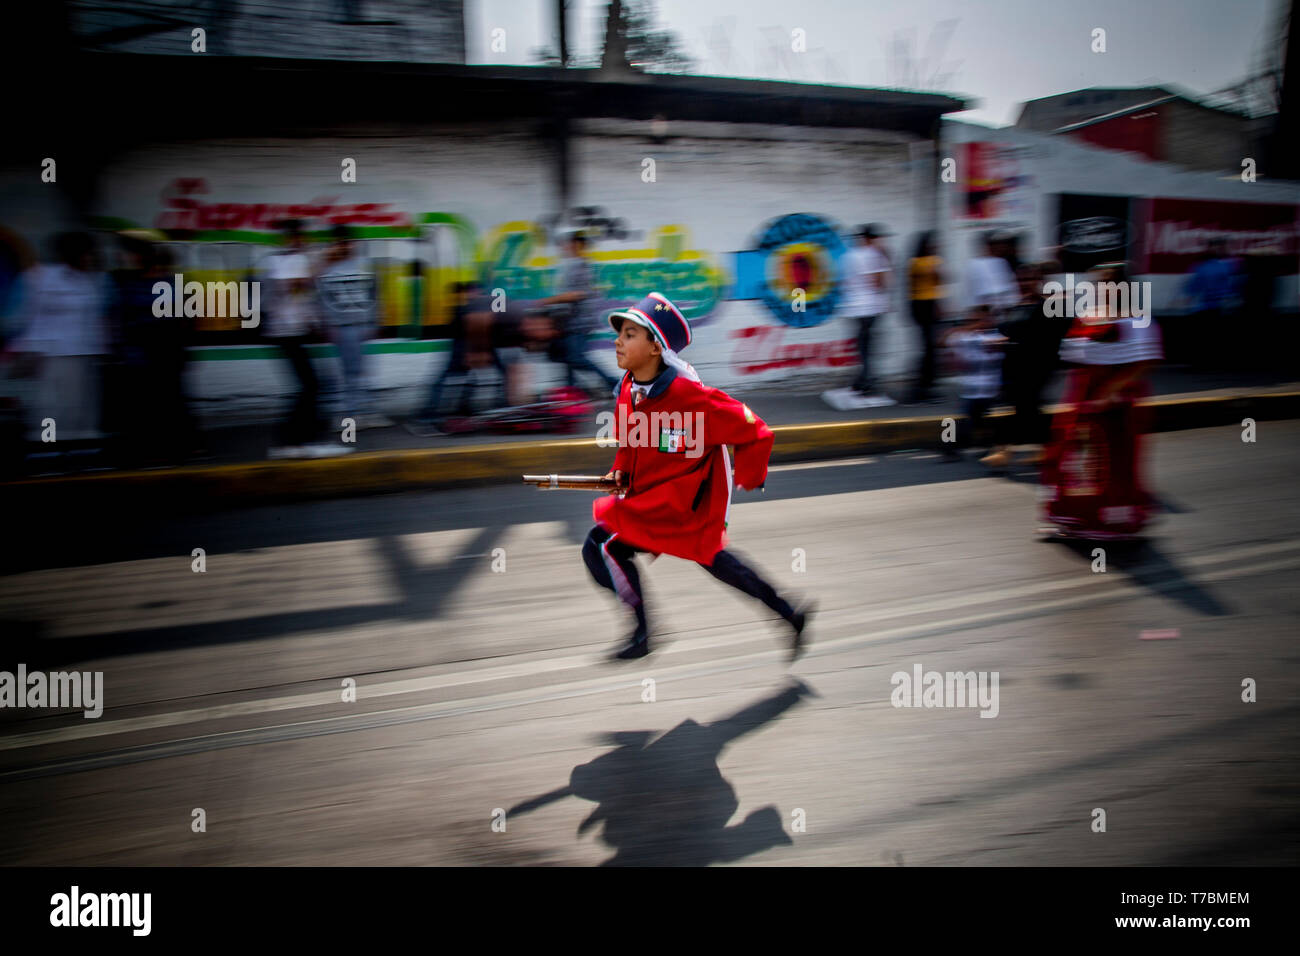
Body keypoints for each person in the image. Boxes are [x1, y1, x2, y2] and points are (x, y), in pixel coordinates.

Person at [581, 292, 813, 661]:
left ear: (655, 346)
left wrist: (750, 476)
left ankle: (644, 632)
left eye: (629, 334)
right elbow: (630, 439)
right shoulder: (628, 387)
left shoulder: (692, 397)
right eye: (620, 334)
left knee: (604, 544)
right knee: (611, 547)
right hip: (654, 498)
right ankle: (790, 613)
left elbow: (754, 429)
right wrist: (620, 472)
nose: (617, 342)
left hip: (690, 504)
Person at [1040, 261, 1164, 541]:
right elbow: (1074, 357)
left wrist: (1111, 391)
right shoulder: (1088, 315)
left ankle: (1114, 522)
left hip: (1116, 403)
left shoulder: (1137, 319)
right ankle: (1072, 516)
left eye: (1108, 282)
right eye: (1099, 282)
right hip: (1080, 400)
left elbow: (1145, 362)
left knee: (1111, 462)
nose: (1102, 288)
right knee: (1067, 458)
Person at [3, 232, 110, 465]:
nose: (90, 258)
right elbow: (21, 315)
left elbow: (95, 318)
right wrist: (22, 347)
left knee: (82, 406)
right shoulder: (40, 278)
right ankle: (46, 449)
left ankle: (82, 449)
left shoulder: (91, 281)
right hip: (51, 354)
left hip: (84, 353)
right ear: (71, 254)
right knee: (49, 407)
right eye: (86, 253)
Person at [261, 220, 348, 458]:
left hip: (297, 333)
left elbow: (303, 298)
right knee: (309, 386)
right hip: (284, 334)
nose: (302, 241)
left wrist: (318, 325)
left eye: (302, 237)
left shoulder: (298, 260)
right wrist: (320, 262)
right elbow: (294, 286)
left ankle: (305, 440)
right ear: (289, 238)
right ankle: (292, 442)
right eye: (298, 237)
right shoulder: (279, 262)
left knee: (315, 385)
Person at [993, 261, 1070, 466]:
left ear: (1040, 281)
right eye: (1020, 280)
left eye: (1029, 279)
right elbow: (1006, 329)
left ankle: (1006, 450)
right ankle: (1041, 448)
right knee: (1025, 406)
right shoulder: (1017, 305)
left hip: (1038, 364)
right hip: (1015, 364)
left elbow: (1054, 331)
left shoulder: (1049, 305)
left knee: (1027, 405)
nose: (1024, 283)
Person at [316, 225, 389, 428]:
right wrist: (331, 325)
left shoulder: (365, 265)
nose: (345, 246)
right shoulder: (328, 269)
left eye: (348, 242)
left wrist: (376, 321)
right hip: (344, 327)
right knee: (350, 373)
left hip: (364, 326)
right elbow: (323, 300)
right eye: (340, 243)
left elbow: (376, 294)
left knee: (367, 371)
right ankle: (348, 416)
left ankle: (366, 411)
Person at [541, 232, 619, 399]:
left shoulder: (580, 266)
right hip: (569, 322)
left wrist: (547, 301)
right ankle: (571, 391)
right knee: (568, 359)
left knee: (576, 358)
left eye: (570, 243)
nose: (566, 247)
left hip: (577, 322)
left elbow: (576, 294)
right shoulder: (573, 265)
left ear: (578, 245)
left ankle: (613, 383)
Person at [942, 301, 1006, 463]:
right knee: (971, 420)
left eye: (983, 319)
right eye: (975, 320)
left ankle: (954, 448)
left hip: (988, 388)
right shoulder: (965, 337)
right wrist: (969, 329)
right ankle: (950, 448)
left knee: (976, 420)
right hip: (971, 389)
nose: (980, 323)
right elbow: (944, 339)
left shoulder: (995, 336)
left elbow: (998, 343)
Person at [841, 223, 895, 406]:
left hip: (854, 307)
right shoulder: (873, 255)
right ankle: (867, 382)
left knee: (863, 346)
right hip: (870, 307)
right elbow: (878, 282)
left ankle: (861, 381)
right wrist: (886, 260)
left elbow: (846, 282)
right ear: (869, 238)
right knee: (869, 347)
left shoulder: (849, 255)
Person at [905, 230, 945, 404]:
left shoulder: (919, 262)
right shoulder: (922, 262)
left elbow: (938, 283)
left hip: (926, 304)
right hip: (923, 305)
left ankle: (926, 385)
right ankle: (922, 387)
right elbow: (939, 277)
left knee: (929, 348)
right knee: (928, 348)